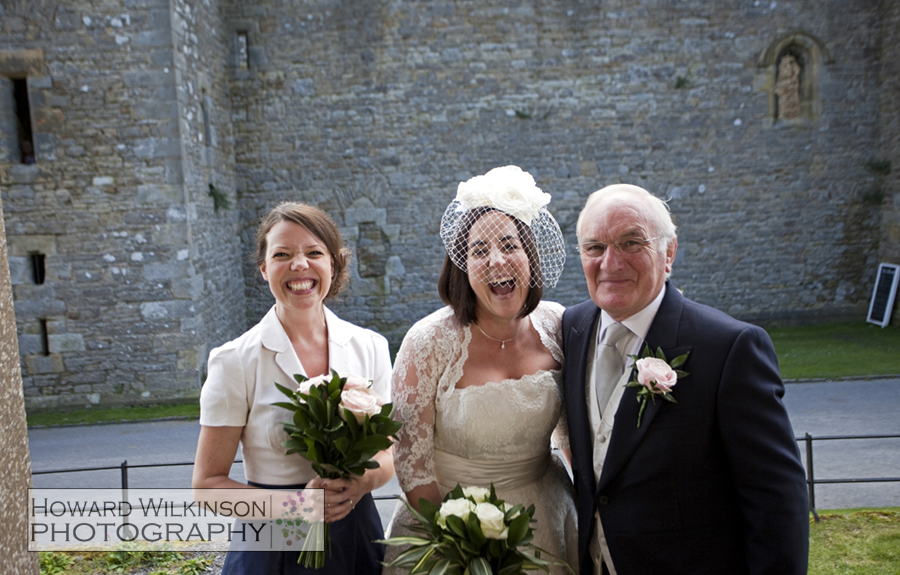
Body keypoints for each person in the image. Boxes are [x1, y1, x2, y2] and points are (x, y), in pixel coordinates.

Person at [563, 184, 809, 575]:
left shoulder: (730, 349)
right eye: (595, 247)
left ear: (669, 253)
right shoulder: (571, 329)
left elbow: (777, 503)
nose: (610, 262)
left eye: (631, 242)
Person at [385, 166, 578, 574]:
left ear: (530, 256)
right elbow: (411, 462)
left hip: (547, 517)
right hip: (448, 527)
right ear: (462, 267)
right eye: (478, 250)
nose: (496, 260)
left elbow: (571, 434)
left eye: (510, 245)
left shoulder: (559, 325)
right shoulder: (428, 342)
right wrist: (462, 547)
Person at [193, 201, 395, 574]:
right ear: (264, 268)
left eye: (314, 252)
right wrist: (296, 508)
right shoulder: (234, 360)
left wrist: (360, 482)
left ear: (334, 264)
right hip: (273, 544)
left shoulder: (371, 346)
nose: (299, 265)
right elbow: (207, 486)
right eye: (282, 254)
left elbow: (388, 454)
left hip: (356, 536)